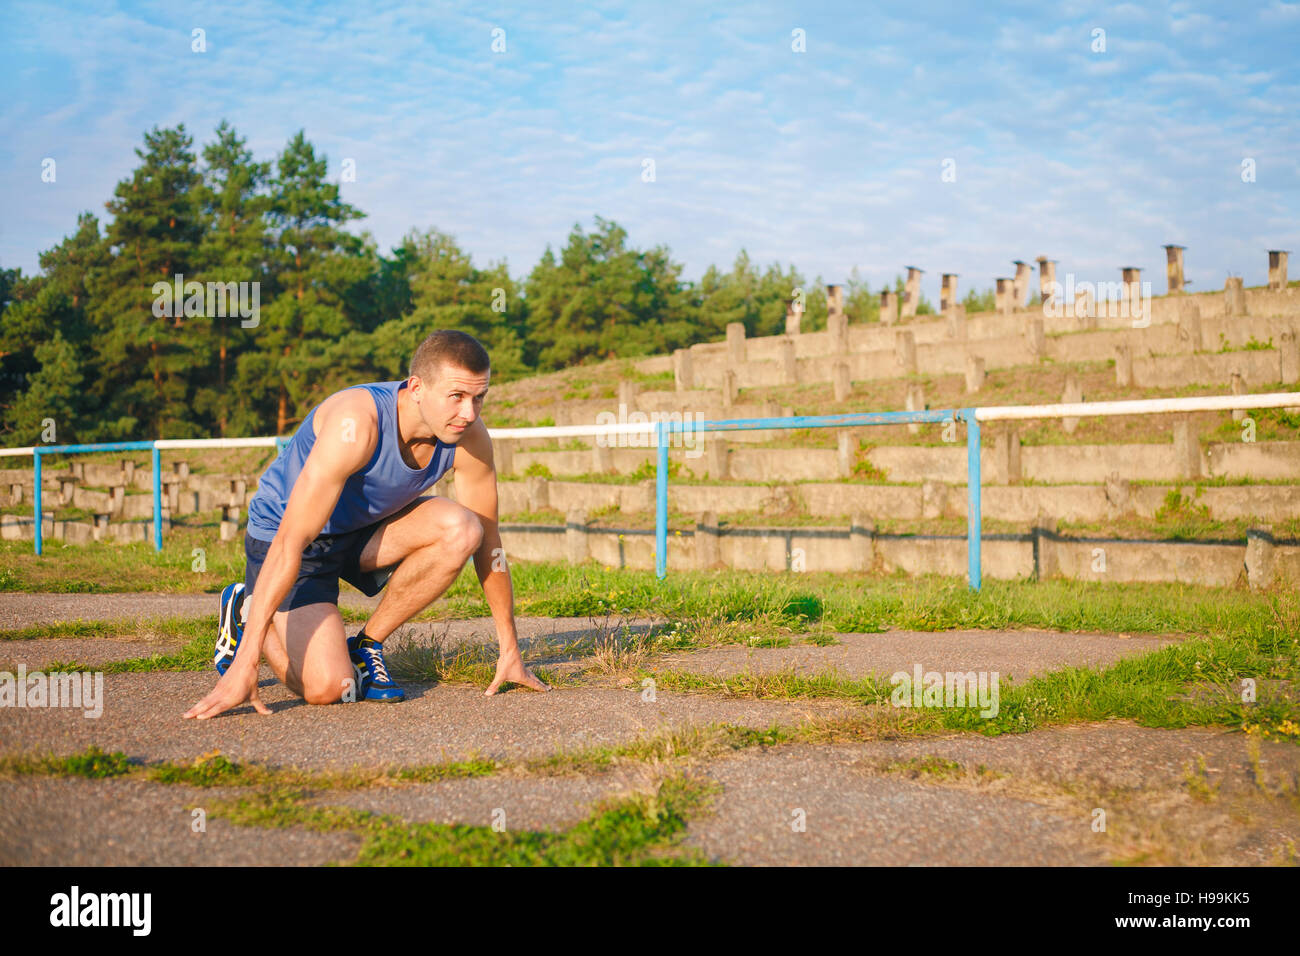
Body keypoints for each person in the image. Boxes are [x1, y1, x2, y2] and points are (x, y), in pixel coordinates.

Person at [183, 329, 547, 720]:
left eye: (479, 398)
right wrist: (246, 663)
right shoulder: (357, 422)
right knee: (328, 689)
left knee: (466, 529)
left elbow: (490, 544)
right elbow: (291, 539)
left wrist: (510, 651)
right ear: (417, 387)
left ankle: (367, 645)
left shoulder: (468, 437)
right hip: (294, 540)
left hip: (362, 532)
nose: (469, 413)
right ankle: (247, 606)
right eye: (456, 397)